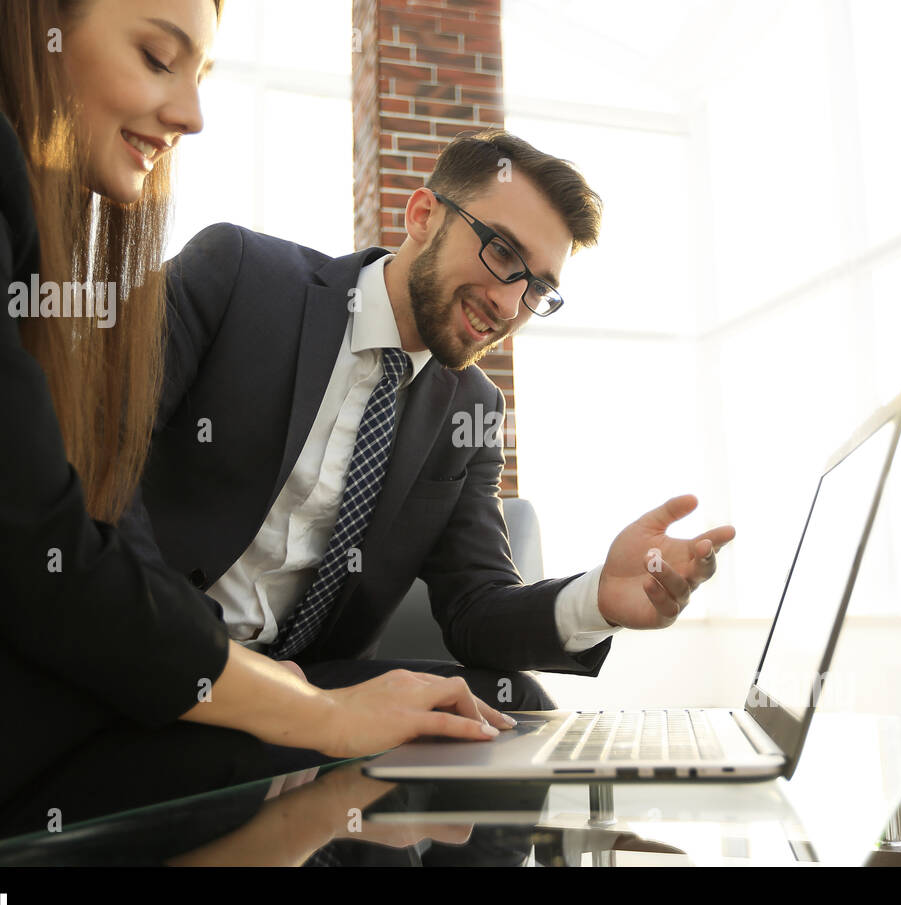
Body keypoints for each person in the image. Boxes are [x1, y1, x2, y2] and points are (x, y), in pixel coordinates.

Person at [0, 0, 510, 866]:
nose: (192, 116)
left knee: (265, 747)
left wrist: (299, 701)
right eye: (158, 57)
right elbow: (54, 550)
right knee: (237, 736)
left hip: (124, 648)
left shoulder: (2, 213)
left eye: (199, 76)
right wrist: (314, 711)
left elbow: (69, 508)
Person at [137, 130, 738, 705]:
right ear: (423, 216)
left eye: (537, 288)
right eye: (502, 251)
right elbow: (95, 469)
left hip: (309, 680)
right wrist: (220, 661)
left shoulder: (472, 410)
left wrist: (597, 598)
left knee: (515, 703)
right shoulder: (241, 277)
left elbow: (476, 607)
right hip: (157, 640)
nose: (509, 304)